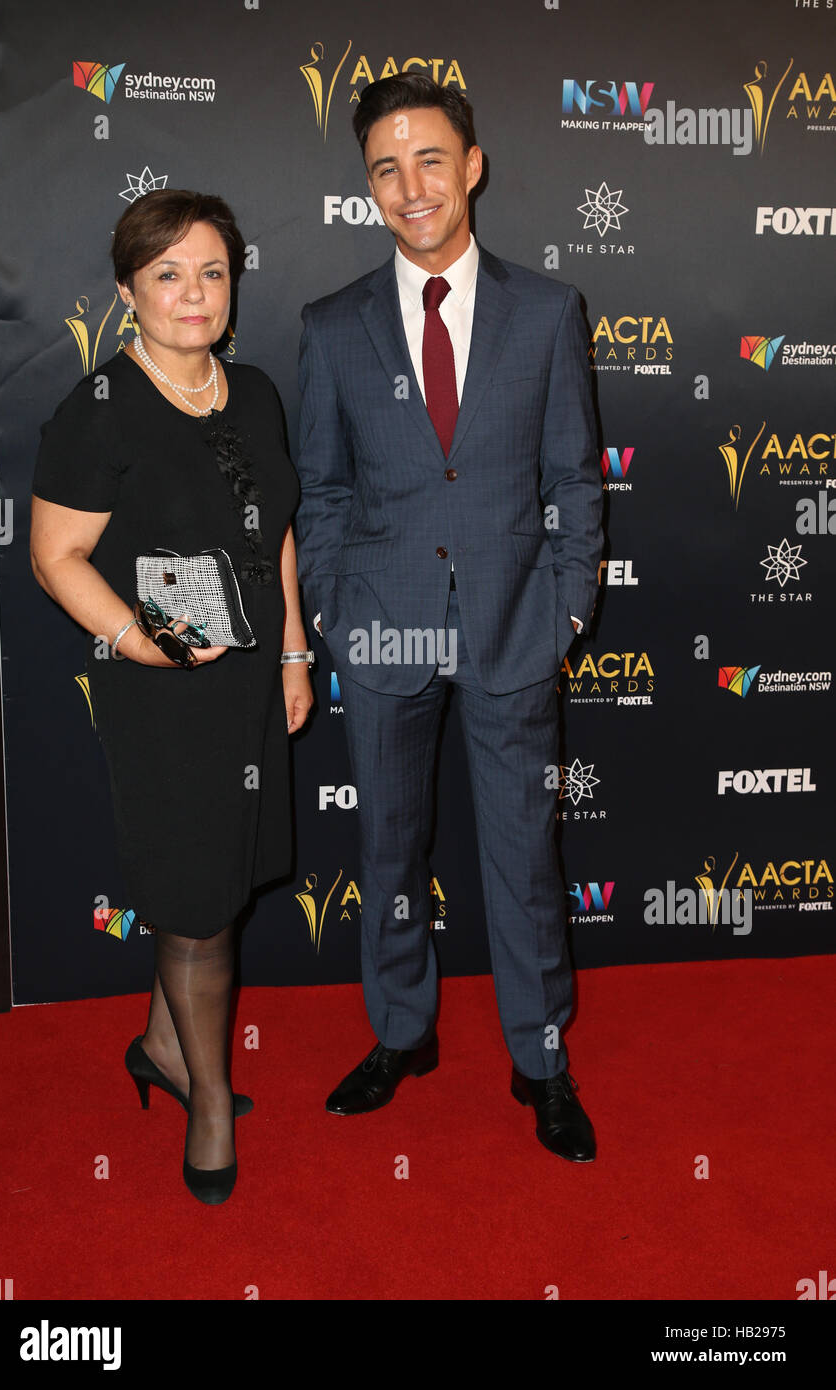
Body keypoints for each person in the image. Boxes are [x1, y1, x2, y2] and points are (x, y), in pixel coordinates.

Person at [295, 75, 603, 1162]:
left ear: (470, 166)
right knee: (387, 848)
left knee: (522, 855)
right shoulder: (331, 326)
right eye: (385, 167)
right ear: (368, 187)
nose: (410, 185)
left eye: (429, 159)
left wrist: (568, 605)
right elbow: (321, 491)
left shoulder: (547, 310)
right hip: (381, 628)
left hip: (516, 622)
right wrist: (332, 607)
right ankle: (399, 1034)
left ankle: (541, 1058)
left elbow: (573, 476)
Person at [30, 190, 312, 1203]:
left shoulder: (257, 393)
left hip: (246, 684)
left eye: (211, 273)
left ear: (233, 286)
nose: (192, 294)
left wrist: (291, 652)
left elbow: (272, 531)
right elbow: (54, 554)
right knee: (195, 912)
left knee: (224, 882)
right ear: (126, 292)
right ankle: (203, 1096)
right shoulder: (96, 409)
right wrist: (134, 643)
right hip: (165, 697)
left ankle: (157, 1041)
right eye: (167, 275)